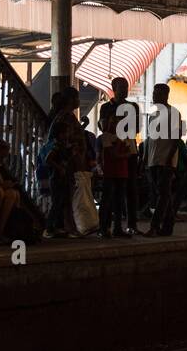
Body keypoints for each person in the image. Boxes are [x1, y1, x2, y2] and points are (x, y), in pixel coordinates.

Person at [43, 86, 89, 239]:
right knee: (65, 197)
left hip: (68, 162)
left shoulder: (64, 116)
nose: (78, 101)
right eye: (77, 98)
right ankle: (68, 227)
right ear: (70, 100)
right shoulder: (66, 117)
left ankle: (64, 226)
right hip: (66, 163)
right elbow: (68, 139)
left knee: (65, 197)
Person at [98, 77, 141, 236]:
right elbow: (104, 128)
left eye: (126, 86)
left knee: (130, 188)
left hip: (128, 150)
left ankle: (129, 224)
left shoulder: (133, 107)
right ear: (113, 88)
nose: (124, 90)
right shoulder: (106, 107)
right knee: (110, 190)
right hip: (113, 151)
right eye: (121, 87)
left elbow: (135, 128)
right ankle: (106, 226)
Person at [144, 83, 183, 236]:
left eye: (157, 94)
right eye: (154, 93)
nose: (154, 96)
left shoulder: (173, 113)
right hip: (153, 159)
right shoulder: (153, 114)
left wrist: (168, 159)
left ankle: (154, 226)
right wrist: (145, 158)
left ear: (166, 95)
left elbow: (176, 138)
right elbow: (150, 139)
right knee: (162, 194)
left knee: (163, 194)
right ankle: (167, 227)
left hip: (165, 160)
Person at [98, 114, 135, 238]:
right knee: (107, 201)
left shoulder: (111, 138)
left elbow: (123, 153)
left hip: (120, 172)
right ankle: (104, 228)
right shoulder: (106, 137)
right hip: (111, 172)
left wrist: (121, 154)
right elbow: (121, 154)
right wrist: (123, 153)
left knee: (117, 202)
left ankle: (116, 228)